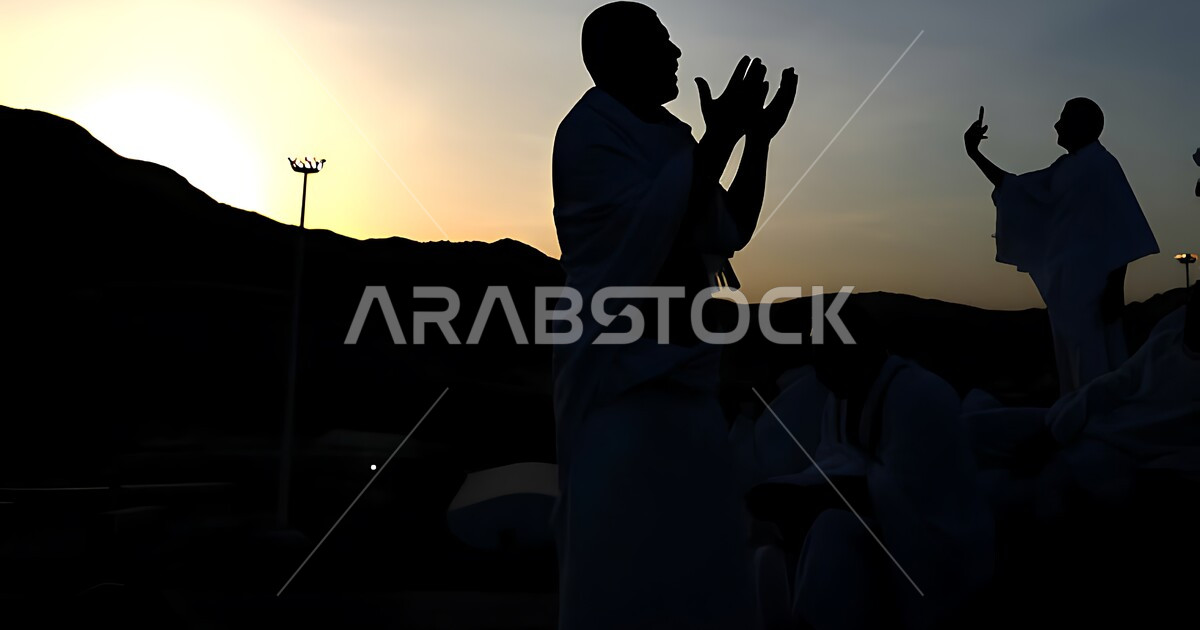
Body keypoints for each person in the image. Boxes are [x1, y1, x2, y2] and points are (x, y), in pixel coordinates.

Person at [549, 3, 796, 628]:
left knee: (707, 580)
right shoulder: (586, 135)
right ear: (617, 58)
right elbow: (650, 234)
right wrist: (721, 138)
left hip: (688, 389)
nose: (677, 53)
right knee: (627, 585)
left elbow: (727, 227)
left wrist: (755, 143)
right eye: (661, 41)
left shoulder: (671, 138)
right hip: (624, 391)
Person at [747, 305, 994, 629]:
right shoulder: (840, 400)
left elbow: (919, 500)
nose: (823, 371)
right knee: (770, 548)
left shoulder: (920, 396)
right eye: (817, 357)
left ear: (865, 350)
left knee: (831, 531)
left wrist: (825, 496)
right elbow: (834, 462)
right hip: (876, 530)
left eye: (832, 356)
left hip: (936, 551)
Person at [965, 99, 1159, 394]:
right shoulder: (1066, 168)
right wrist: (975, 154)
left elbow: (1121, 229)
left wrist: (1115, 285)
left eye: (1064, 119)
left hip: (1094, 289)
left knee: (1095, 365)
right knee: (1073, 368)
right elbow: (1016, 189)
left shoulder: (1103, 167)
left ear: (1084, 126)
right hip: (1067, 289)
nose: (1057, 125)